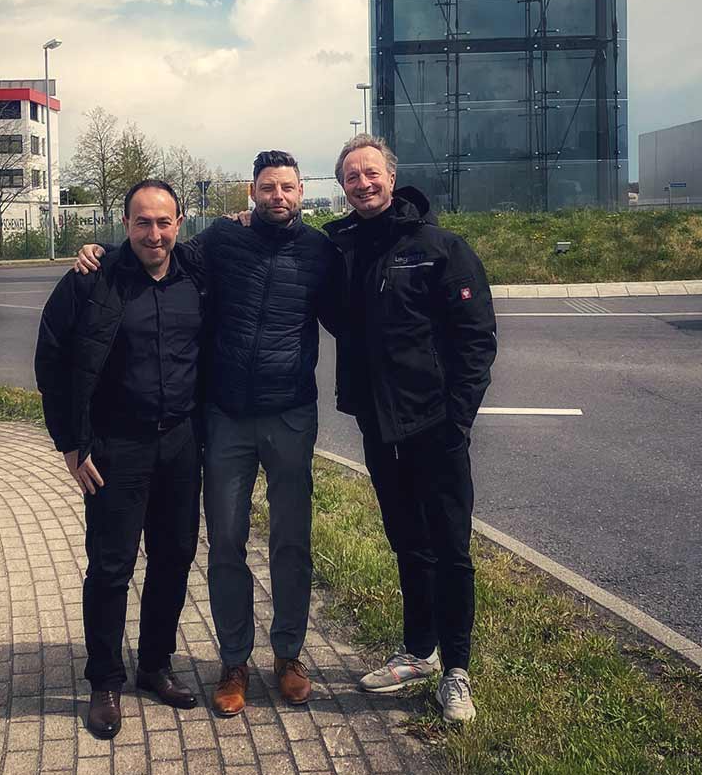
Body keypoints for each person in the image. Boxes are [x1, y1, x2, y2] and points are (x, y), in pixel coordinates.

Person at [75, 150, 342, 717]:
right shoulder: (220, 242)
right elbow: (157, 251)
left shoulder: (321, 251)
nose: (278, 196)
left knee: (292, 540)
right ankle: (234, 661)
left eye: (288, 187)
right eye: (267, 187)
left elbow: (354, 313)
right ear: (252, 191)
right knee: (225, 542)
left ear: (301, 191)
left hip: (291, 412)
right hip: (224, 416)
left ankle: (289, 655)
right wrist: (100, 253)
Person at [323, 134, 497, 723]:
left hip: (434, 426)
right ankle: (418, 652)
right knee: (407, 543)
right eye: (352, 176)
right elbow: (281, 246)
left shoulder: (440, 247)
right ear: (342, 187)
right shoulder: (339, 246)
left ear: (391, 179)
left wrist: (458, 417)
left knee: (450, 549)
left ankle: (456, 669)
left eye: (371, 173)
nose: (363, 183)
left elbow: (476, 338)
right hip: (379, 425)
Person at [35, 180, 205, 740]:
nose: (153, 234)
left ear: (179, 222)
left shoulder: (198, 275)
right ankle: (105, 681)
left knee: (175, 556)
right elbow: (52, 359)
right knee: (111, 567)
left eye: (163, 222)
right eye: (142, 223)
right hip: (114, 448)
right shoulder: (92, 278)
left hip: (180, 444)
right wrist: (70, 444)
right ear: (124, 225)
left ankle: (154, 665)